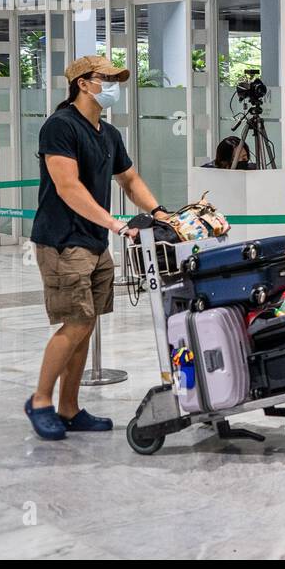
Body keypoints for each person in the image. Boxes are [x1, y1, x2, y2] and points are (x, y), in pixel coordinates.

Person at [26, 55, 173, 440]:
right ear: (83, 84)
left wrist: (159, 211)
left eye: (116, 78)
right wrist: (113, 222)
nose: (113, 85)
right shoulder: (59, 127)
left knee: (86, 326)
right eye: (105, 78)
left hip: (93, 242)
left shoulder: (107, 133)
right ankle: (40, 401)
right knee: (74, 323)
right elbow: (67, 186)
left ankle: (69, 408)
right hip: (63, 240)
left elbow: (129, 178)